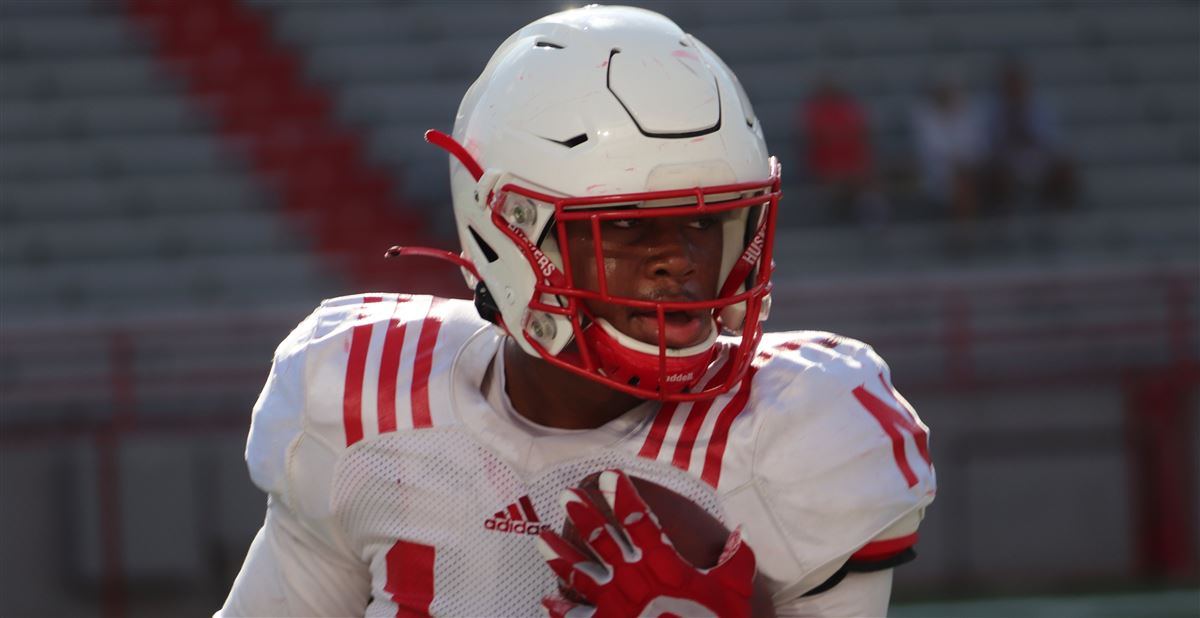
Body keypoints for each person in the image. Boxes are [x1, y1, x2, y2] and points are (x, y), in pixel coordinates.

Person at [219, 6, 935, 617]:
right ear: (509, 230)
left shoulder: (798, 435)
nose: (679, 259)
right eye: (625, 224)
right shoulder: (363, 399)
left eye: (703, 221)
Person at [982, 60, 1078, 212]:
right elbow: (989, 146)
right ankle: (1004, 216)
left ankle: (1062, 215)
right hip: (1008, 163)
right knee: (997, 177)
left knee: (1065, 170)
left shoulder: (1041, 110)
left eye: (1018, 84)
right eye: (1011, 85)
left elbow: (1053, 143)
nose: (1015, 89)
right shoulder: (993, 112)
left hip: (1038, 162)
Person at [799, 76, 890, 226]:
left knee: (869, 183)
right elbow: (812, 145)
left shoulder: (850, 110)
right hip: (828, 168)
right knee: (839, 182)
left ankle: (873, 223)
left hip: (854, 166)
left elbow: (863, 138)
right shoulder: (815, 113)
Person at [911, 77, 987, 221]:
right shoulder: (925, 117)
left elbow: (976, 148)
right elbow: (932, 151)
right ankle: (964, 226)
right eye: (943, 91)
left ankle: (969, 224)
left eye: (951, 91)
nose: (947, 95)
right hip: (939, 174)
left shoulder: (968, 114)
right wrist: (957, 162)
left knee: (968, 181)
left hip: (968, 171)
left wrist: (963, 163)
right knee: (960, 183)